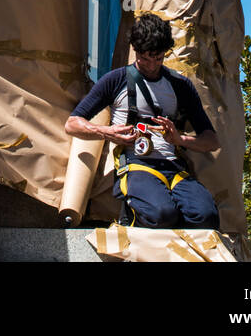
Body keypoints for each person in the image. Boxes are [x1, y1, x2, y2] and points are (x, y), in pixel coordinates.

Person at [65, 13, 221, 229]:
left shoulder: (180, 85)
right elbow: (72, 124)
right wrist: (106, 132)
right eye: (145, 59)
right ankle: (130, 222)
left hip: (173, 166)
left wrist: (180, 139)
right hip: (137, 164)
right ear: (135, 51)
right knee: (162, 214)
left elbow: (211, 140)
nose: (151, 65)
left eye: (158, 59)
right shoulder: (116, 79)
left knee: (206, 216)